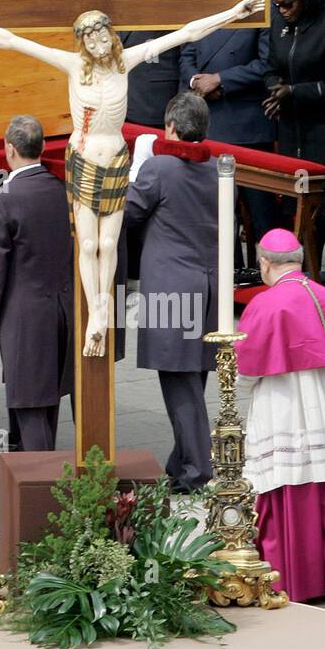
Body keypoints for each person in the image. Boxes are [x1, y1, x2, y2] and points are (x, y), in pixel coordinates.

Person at [0, 0, 264, 353]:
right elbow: (12, 42)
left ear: (112, 35)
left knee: (109, 243)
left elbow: (184, 33)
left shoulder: (127, 62)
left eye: (103, 35)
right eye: (90, 39)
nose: (98, 43)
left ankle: (103, 308)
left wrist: (232, 12)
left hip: (115, 158)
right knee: (88, 243)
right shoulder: (73, 65)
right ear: (82, 44)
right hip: (86, 156)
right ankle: (96, 315)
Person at [236, 227, 325, 603]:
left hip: (284, 409)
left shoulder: (265, 305)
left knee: (288, 487)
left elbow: (245, 371)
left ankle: (294, 575)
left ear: (265, 263)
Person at [125, 91, 219, 494]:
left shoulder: (160, 167)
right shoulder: (215, 166)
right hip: (208, 283)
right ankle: (181, 462)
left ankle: (198, 469)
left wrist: (136, 169)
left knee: (180, 382)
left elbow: (129, 212)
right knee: (193, 379)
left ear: (172, 128)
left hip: (171, 288)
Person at [0, 113, 73, 451]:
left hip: (24, 317)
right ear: (43, 147)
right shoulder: (61, 190)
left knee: (29, 406)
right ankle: (39, 486)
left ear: (9, 149)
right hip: (61, 310)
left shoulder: (3, 199)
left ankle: (44, 495)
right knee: (47, 404)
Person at [265, 0, 325, 270]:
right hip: (289, 126)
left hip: (324, 127)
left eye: (288, 4)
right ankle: (300, 276)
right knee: (293, 207)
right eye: (277, 4)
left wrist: (296, 91)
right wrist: (275, 89)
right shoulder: (279, 24)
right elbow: (271, 67)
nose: (282, 10)